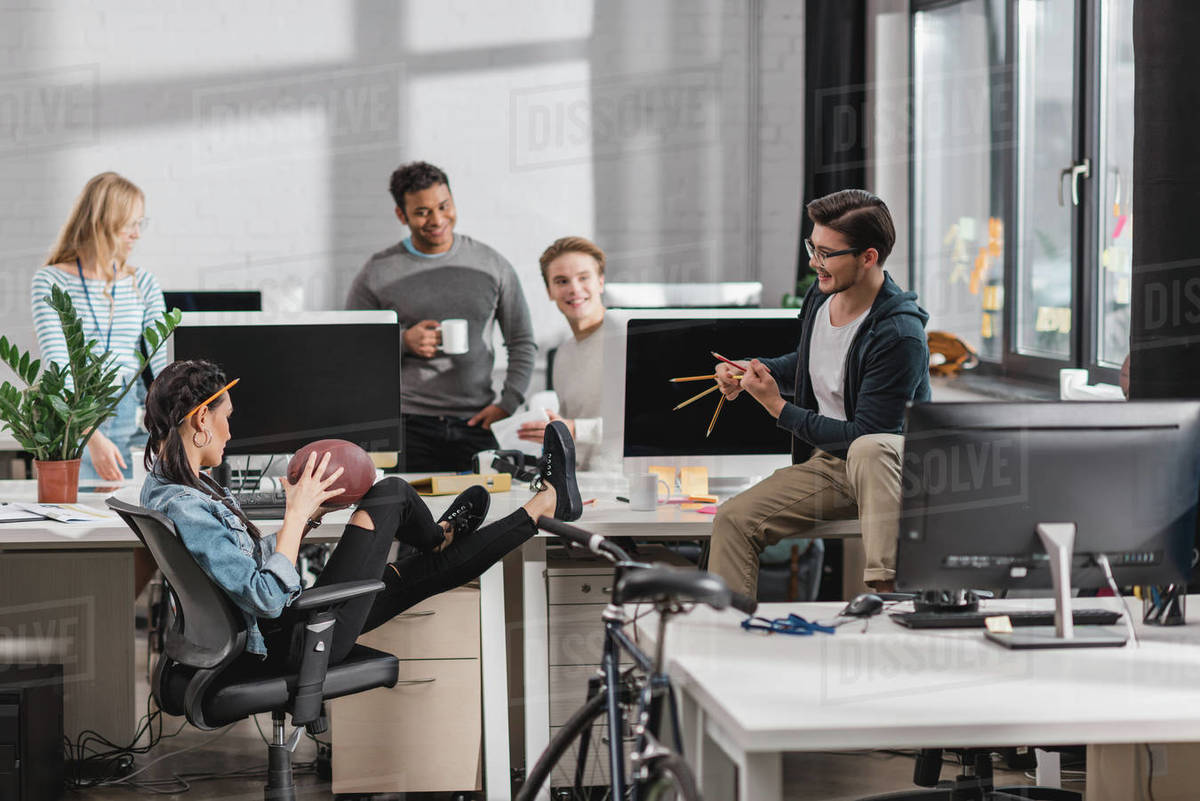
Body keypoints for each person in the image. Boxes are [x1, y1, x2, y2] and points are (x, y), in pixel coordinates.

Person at [139, 359, 582, 665]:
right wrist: (294, 517)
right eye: (225, 418)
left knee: (425, 569)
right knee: (390, 492)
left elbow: (241, 567)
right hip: (290, 639)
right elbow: (265, 597)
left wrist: (308, 515)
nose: (230, 432)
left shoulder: (169, 488)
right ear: (201, 421)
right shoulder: (187, 505)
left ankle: (527, 508)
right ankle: (463, 527)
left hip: (290, 628)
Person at [707, 189, 930, 597]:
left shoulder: (900, 334)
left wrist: (777, 406)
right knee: (733, 519)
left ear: (868, 257)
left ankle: (890, 592)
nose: (814, 262)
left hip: (891, 470)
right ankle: (728, 640)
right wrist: (754, 371)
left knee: (869, 449)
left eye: (827, 253)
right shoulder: (821, 293)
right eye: (813, 247)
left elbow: (867, 435)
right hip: (833, 462)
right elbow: (811, 364)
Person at [345, 161, 536, 473]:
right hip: (406, 425)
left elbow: (522, 341)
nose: (437, 220)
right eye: (422, 212)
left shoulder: (491, 264)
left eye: (444, 206)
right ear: (401, 215)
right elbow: (351, 345)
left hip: (477, 423)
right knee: (405, 515)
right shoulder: (378, 271)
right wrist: (403, 340)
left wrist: (508, 402)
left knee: (491, 513)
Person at [31, 171, 166, 482]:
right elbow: (58, 366)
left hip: (135, 425)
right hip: (71, 431)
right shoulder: (51, 281)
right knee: (77, 522)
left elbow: (163, 367)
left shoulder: (142, 282)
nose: (137, 234)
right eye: (131, 224)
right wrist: (91, 437)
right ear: (104, 223)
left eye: (139, 224)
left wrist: (176, 432)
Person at [517, 236, 618, 472]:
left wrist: (573, 428)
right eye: (562, 281)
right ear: (550, 291)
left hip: (627, 485)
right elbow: (568, 432)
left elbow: (647, 423)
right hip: (581, 482)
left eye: (584, 278)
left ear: (601, 282)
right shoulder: (563, 353)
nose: (574, 288)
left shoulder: (627, 338)